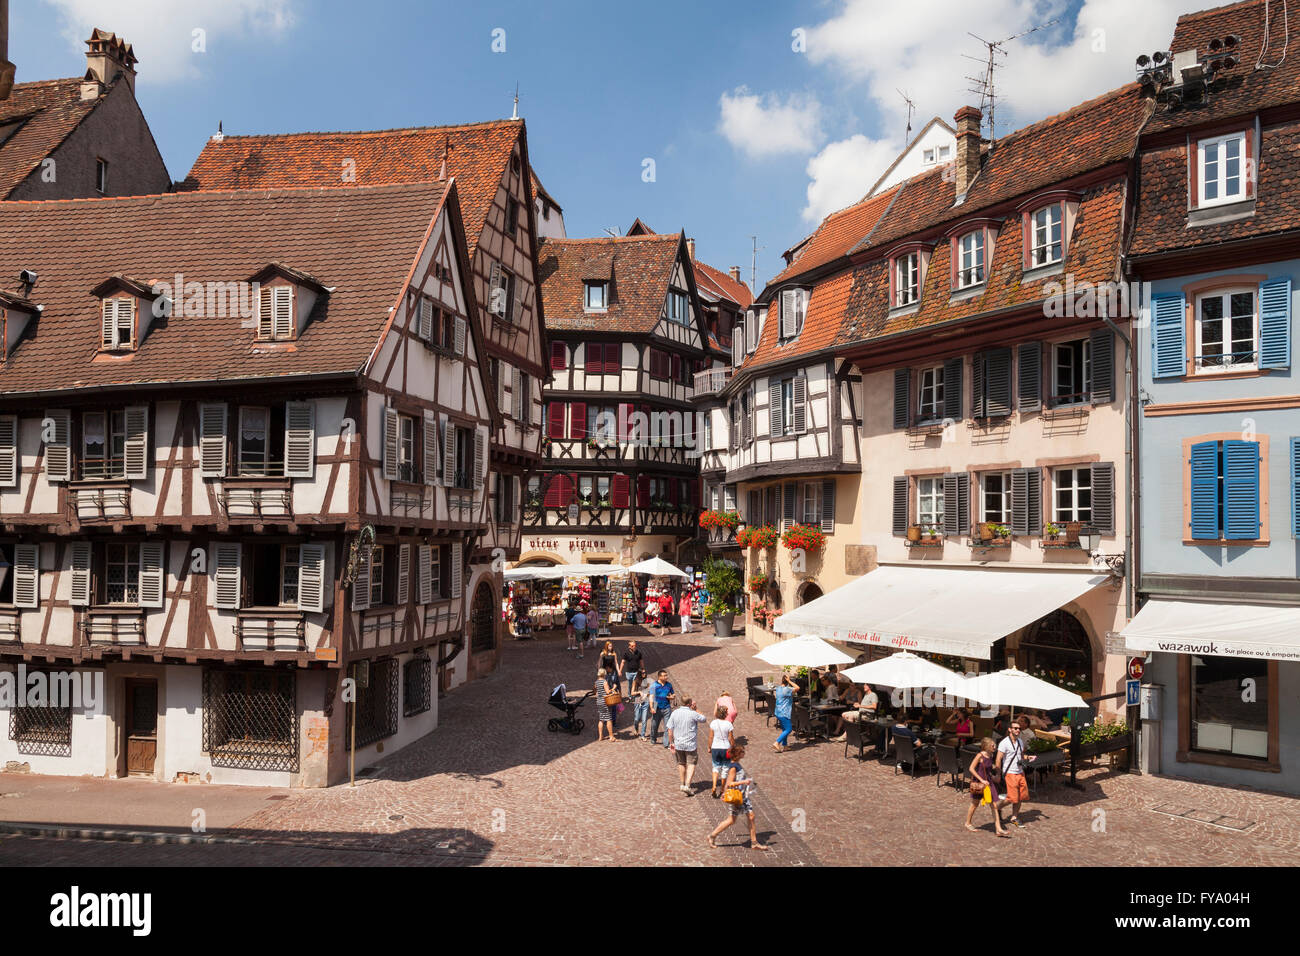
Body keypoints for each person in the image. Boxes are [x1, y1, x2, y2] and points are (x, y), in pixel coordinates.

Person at [707, 743, 767, 852]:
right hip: (738, 798)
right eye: (743, 751)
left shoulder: (736, 765)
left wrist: (724, 793)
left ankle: (713, 836)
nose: (744, 753)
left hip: (742, 797)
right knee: (739, 819)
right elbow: (730, 783)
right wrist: (744, 781)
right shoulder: (733, 767)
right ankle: (713, 835)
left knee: (741, 818)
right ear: (738, 754)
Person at [965, 737, 1010, 837]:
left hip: (989, 783)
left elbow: (988, 769)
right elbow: (971, 769)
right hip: (979, 784)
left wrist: (993, 776)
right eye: (992, 745)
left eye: (994, 745)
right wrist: (981, 780)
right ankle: (968, 823)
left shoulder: (991, 755)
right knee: (974, 804)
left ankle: (998, 829)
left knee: (994, 806)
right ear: (986, 746)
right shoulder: (979, 755)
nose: (994, 747)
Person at [996, 720, 1035, 829]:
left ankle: (1014, 817)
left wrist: (1028, 757)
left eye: (1019, 728)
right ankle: (997, 807)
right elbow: (998, 758)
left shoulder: (1020, 742)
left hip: (1020, 772)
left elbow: (1021, 756)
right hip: (1010, 773)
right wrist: (998, 773)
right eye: (1016, 728)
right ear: (1010, 729)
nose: (1018, 730)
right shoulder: (1004, 743)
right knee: (1012, 798)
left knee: (1021, 796)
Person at [666, 697, 707, 794]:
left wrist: (671, 743)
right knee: (691, 764)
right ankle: (688, 785)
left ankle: (682, 783)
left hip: (679, 743)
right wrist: (696, 708)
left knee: (681, 763)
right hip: (690, 744)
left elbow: (670, 730)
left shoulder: (675, 713)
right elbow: (704, 719)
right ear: (689, 703)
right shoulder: (693, 713)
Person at [708, 704, 736, 798]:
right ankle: (722, 789)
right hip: (726, 749)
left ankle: (714, 786)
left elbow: (711, 737)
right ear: (725, 714)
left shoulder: (713, 723)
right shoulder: (728, 724)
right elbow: (731, 738)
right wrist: (733, 748)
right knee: (725, 770)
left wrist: (709, 747)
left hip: (715, 747)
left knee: (715, 768)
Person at [648, 670, 675, 746]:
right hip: (657, 708)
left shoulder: (669, 685)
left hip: (667, 708)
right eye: (664, 675)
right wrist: (651, 707)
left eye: (666, 675)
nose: (666, 677)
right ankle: (653, 738)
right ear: (659, 677)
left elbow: (673, 694)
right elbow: (651, 697)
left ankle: (666, 743)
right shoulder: (654, 686)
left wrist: (671, 697)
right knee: (654, 725)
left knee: (667, 726)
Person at [771, 673, 797, 753]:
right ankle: (777, 742)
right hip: (784, 713)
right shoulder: (787, 689)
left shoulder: (778, 688)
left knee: (784, 729)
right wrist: (790, 681)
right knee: (789, 729)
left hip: (778, 712)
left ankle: (785, 746)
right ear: (787, 681)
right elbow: (797, 688)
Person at [594, 668, 616, 742]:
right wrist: (613, 688)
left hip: (599, 701)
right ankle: (611, 736)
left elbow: (595, 691)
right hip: (605, 701)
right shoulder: (604, 681)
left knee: (601, 719)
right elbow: (607, 692)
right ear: (604, 674)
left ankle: (600, 736)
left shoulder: (596, 682)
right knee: (608, 719)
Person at [632, 675, 653, 740]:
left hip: (645, 701)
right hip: (638, 700)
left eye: (645, 673)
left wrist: (647, 694)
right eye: (642, 673)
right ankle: (636, 729)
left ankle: (642, 735)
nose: (644, 674)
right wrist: (639, 692)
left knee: (644, 720)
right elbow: (632, 693)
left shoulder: (647, 681)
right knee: (636, 718)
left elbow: (650, 692)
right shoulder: (635, 681)